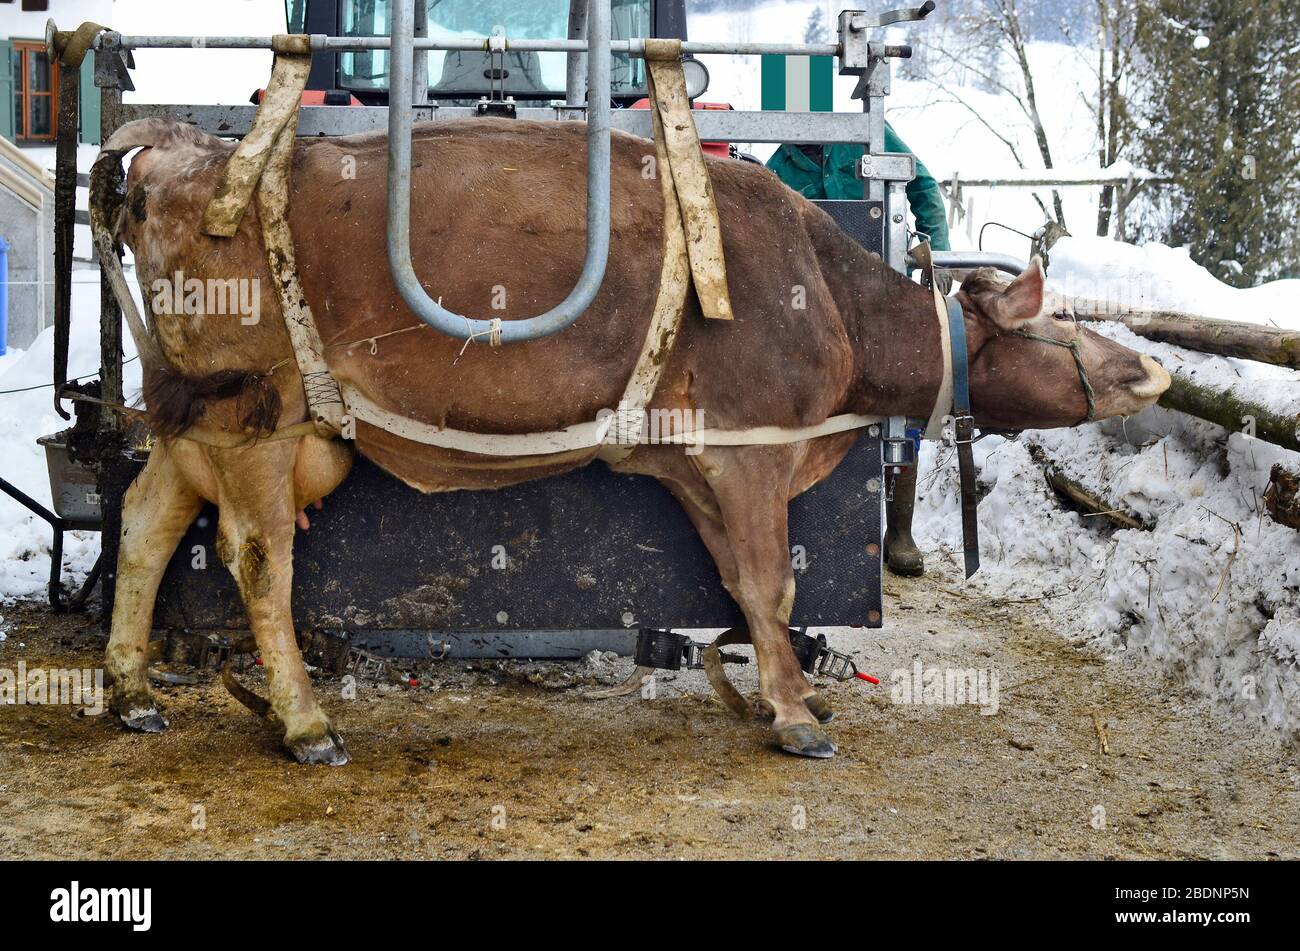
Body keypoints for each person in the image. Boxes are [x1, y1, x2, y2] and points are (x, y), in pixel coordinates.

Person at [766, 123, 949, 577]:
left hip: (881, 293)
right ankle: (822, 526)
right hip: (819, 309)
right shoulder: (777, 166)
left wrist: (937, 253)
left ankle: (900, 531)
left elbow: (924, 186)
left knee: (900, 400)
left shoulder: (867, 134)